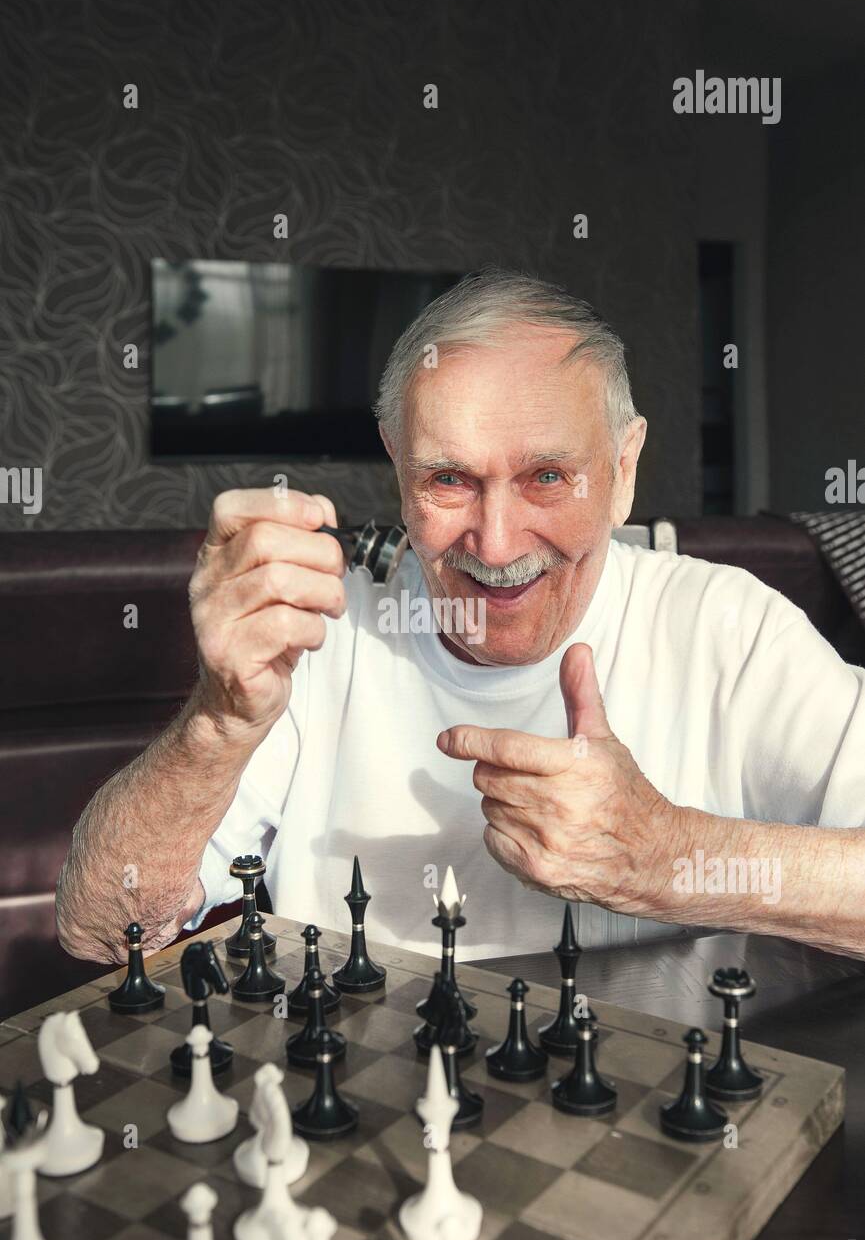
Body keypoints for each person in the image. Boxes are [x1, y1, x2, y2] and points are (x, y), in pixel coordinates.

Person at [56, 269, 865, 966]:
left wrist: (662, 856)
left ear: (622, 472)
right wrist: (220, 723)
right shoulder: (315, 640)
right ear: (396, 465)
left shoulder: (729, 629)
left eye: (547, 475)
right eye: (448, 479)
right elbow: (98, 930)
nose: (498, 541)